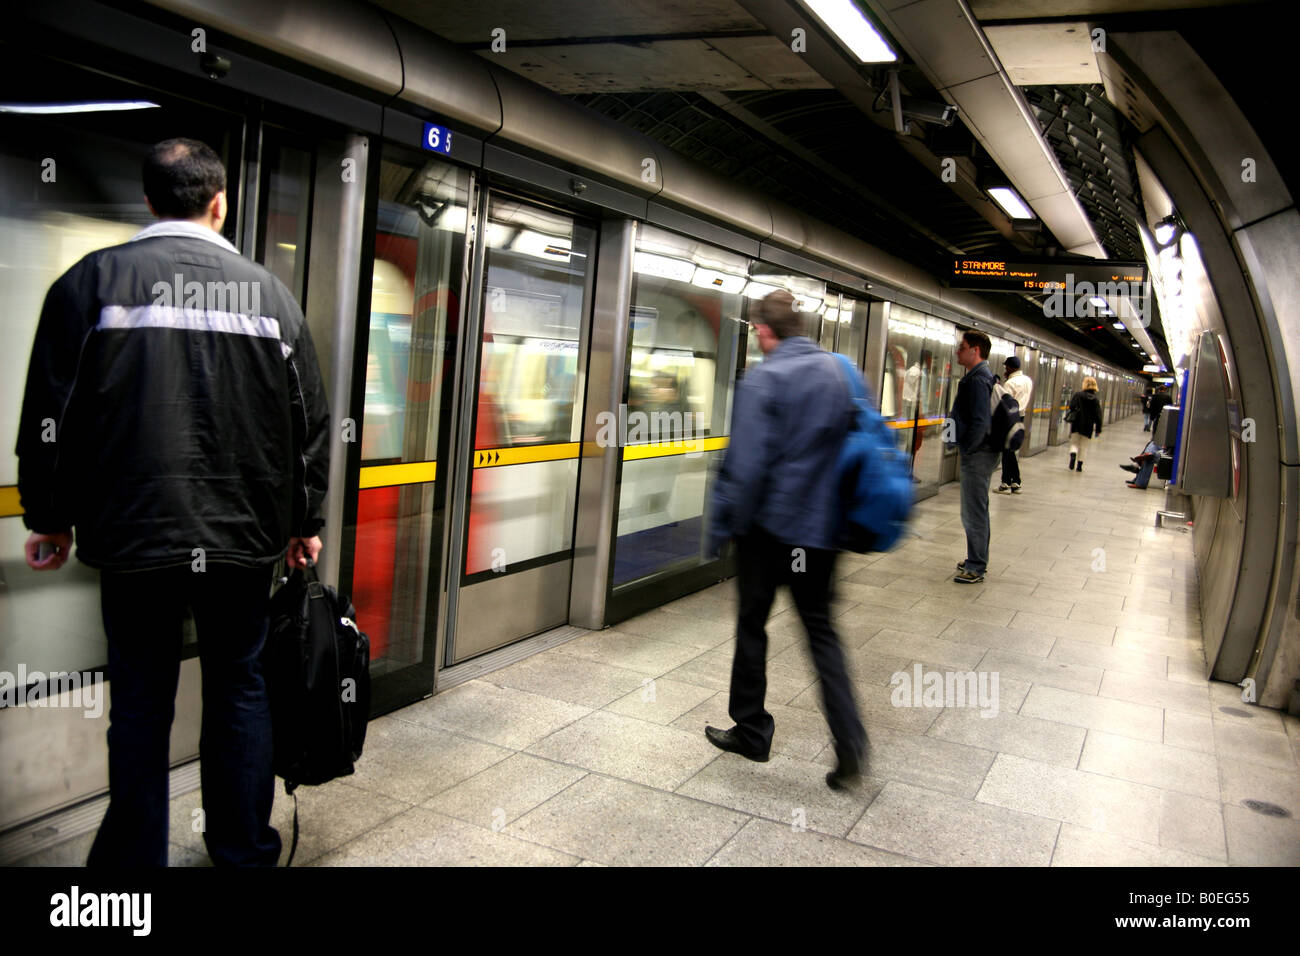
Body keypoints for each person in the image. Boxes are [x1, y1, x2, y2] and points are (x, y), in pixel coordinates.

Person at [16, 138, 331, 866]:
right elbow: (306, 423)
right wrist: (301, 524)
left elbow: (49, 415)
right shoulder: (271, 297)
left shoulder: (89, 285)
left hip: (134, 537)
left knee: (140, 704)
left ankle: (132, 868)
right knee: (240, 688)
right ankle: (242, 851)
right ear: (219, 203)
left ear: (150, 200)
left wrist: (48, 515)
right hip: (243, 540)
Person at [707, 289, 867, 790]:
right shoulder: (838, 373)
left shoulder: (765, 378)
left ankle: (752, 730)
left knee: (753, 625)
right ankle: (851, 746)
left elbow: (748, 467)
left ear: (763, 330)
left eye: (756, 330)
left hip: (770, 535)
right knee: (822, 634)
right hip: (819, 537)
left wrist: (722, 527)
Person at [949, 329, 999, 584]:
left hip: (979, 453)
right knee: (977, 508)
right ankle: (975, 557)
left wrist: (967, 448)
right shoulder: (977, 376)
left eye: (962, 347)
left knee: (973, 511)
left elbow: (980, 421)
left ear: (975, 350)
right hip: (981, 452)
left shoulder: (979, 379)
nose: (958, 350)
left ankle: (976, 565)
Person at [993, 355, 1033, 495]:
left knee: (1007, 449)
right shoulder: (1027, 380)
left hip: (1009, 417)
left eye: (1006, 367)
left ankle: (1009, 483)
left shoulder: (1010, 383)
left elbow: (1004, 403)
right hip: (1021, 416)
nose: (1005, 369)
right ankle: (1013, 482)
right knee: (1011, 450)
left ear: (1010, 367)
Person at [1066, 376, 1103, 471]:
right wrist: (1098, 429)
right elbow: (1098, 415)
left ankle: (1073, 454)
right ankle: (1079, 466)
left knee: (1074, 443)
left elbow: (1071, 406)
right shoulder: (1095, 399)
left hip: (1076, 423)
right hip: (1088, 426)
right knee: (1084, 446)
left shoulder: (1078, 395)